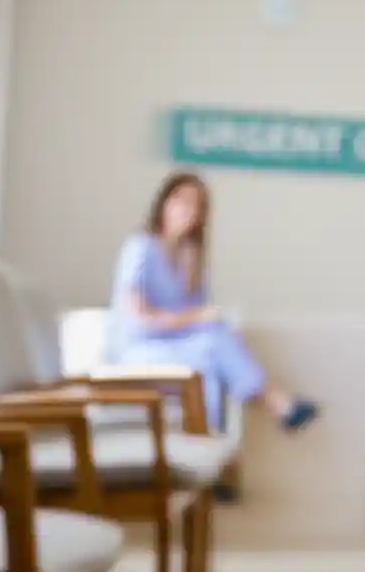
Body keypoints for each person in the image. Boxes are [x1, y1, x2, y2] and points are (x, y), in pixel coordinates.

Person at [108, 171, 319, 431]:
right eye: (182, 200)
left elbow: (198, 319)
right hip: (138, 350)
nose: (188, 210)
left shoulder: (191, 258)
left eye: (196, 205)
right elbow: (140, 319)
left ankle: (213, 443)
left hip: (176, 349)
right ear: (163, 203)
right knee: (210, 344)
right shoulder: (140, 248)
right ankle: (275, 402)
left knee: (212, 345)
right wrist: (196, 317)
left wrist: (201, 310)